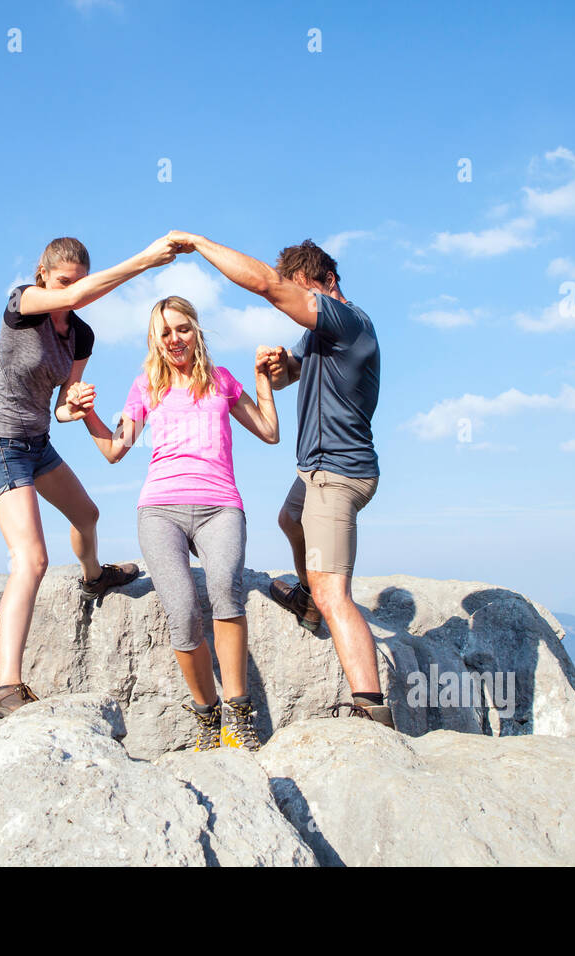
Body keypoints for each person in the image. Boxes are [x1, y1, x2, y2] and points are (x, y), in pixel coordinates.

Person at [165, 232, 393, 726]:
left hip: (338, 473)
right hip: (314, 470)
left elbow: (269, 287)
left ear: (327, 282)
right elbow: (296, 372)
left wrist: (200, 245)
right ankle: (308, 601)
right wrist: (277, 366)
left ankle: (372, 709)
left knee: (337, 592)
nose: (296, 305)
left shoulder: (347, 319)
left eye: (302, 292)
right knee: (291, 519)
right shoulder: (319, 336)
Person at [0, 235, 179, 718]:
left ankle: (94, 578)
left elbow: (63, 407)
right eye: (66, 281)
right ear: (43, 274)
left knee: (88, 514)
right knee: (32, 559)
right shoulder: (23, 303)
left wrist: (76, 405)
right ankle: (4, 687)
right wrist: (147, 260)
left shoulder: (81, 335)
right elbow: (67, 299)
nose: (75, 290)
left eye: (81, 280)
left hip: (38, 443)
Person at [77, 295, 279, 750]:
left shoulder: (222, 380)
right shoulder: (146, 384)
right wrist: (86, 411)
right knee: (184, 612)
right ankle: (208, 719)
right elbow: (114, 450)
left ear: (197, 331)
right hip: (160, 510)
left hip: (219, 506)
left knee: (226, 590)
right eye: (164, 332)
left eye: (182, 329)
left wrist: (263, 379)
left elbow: (269, 432)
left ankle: (239, 717)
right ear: (155, 340)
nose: (174, 339)